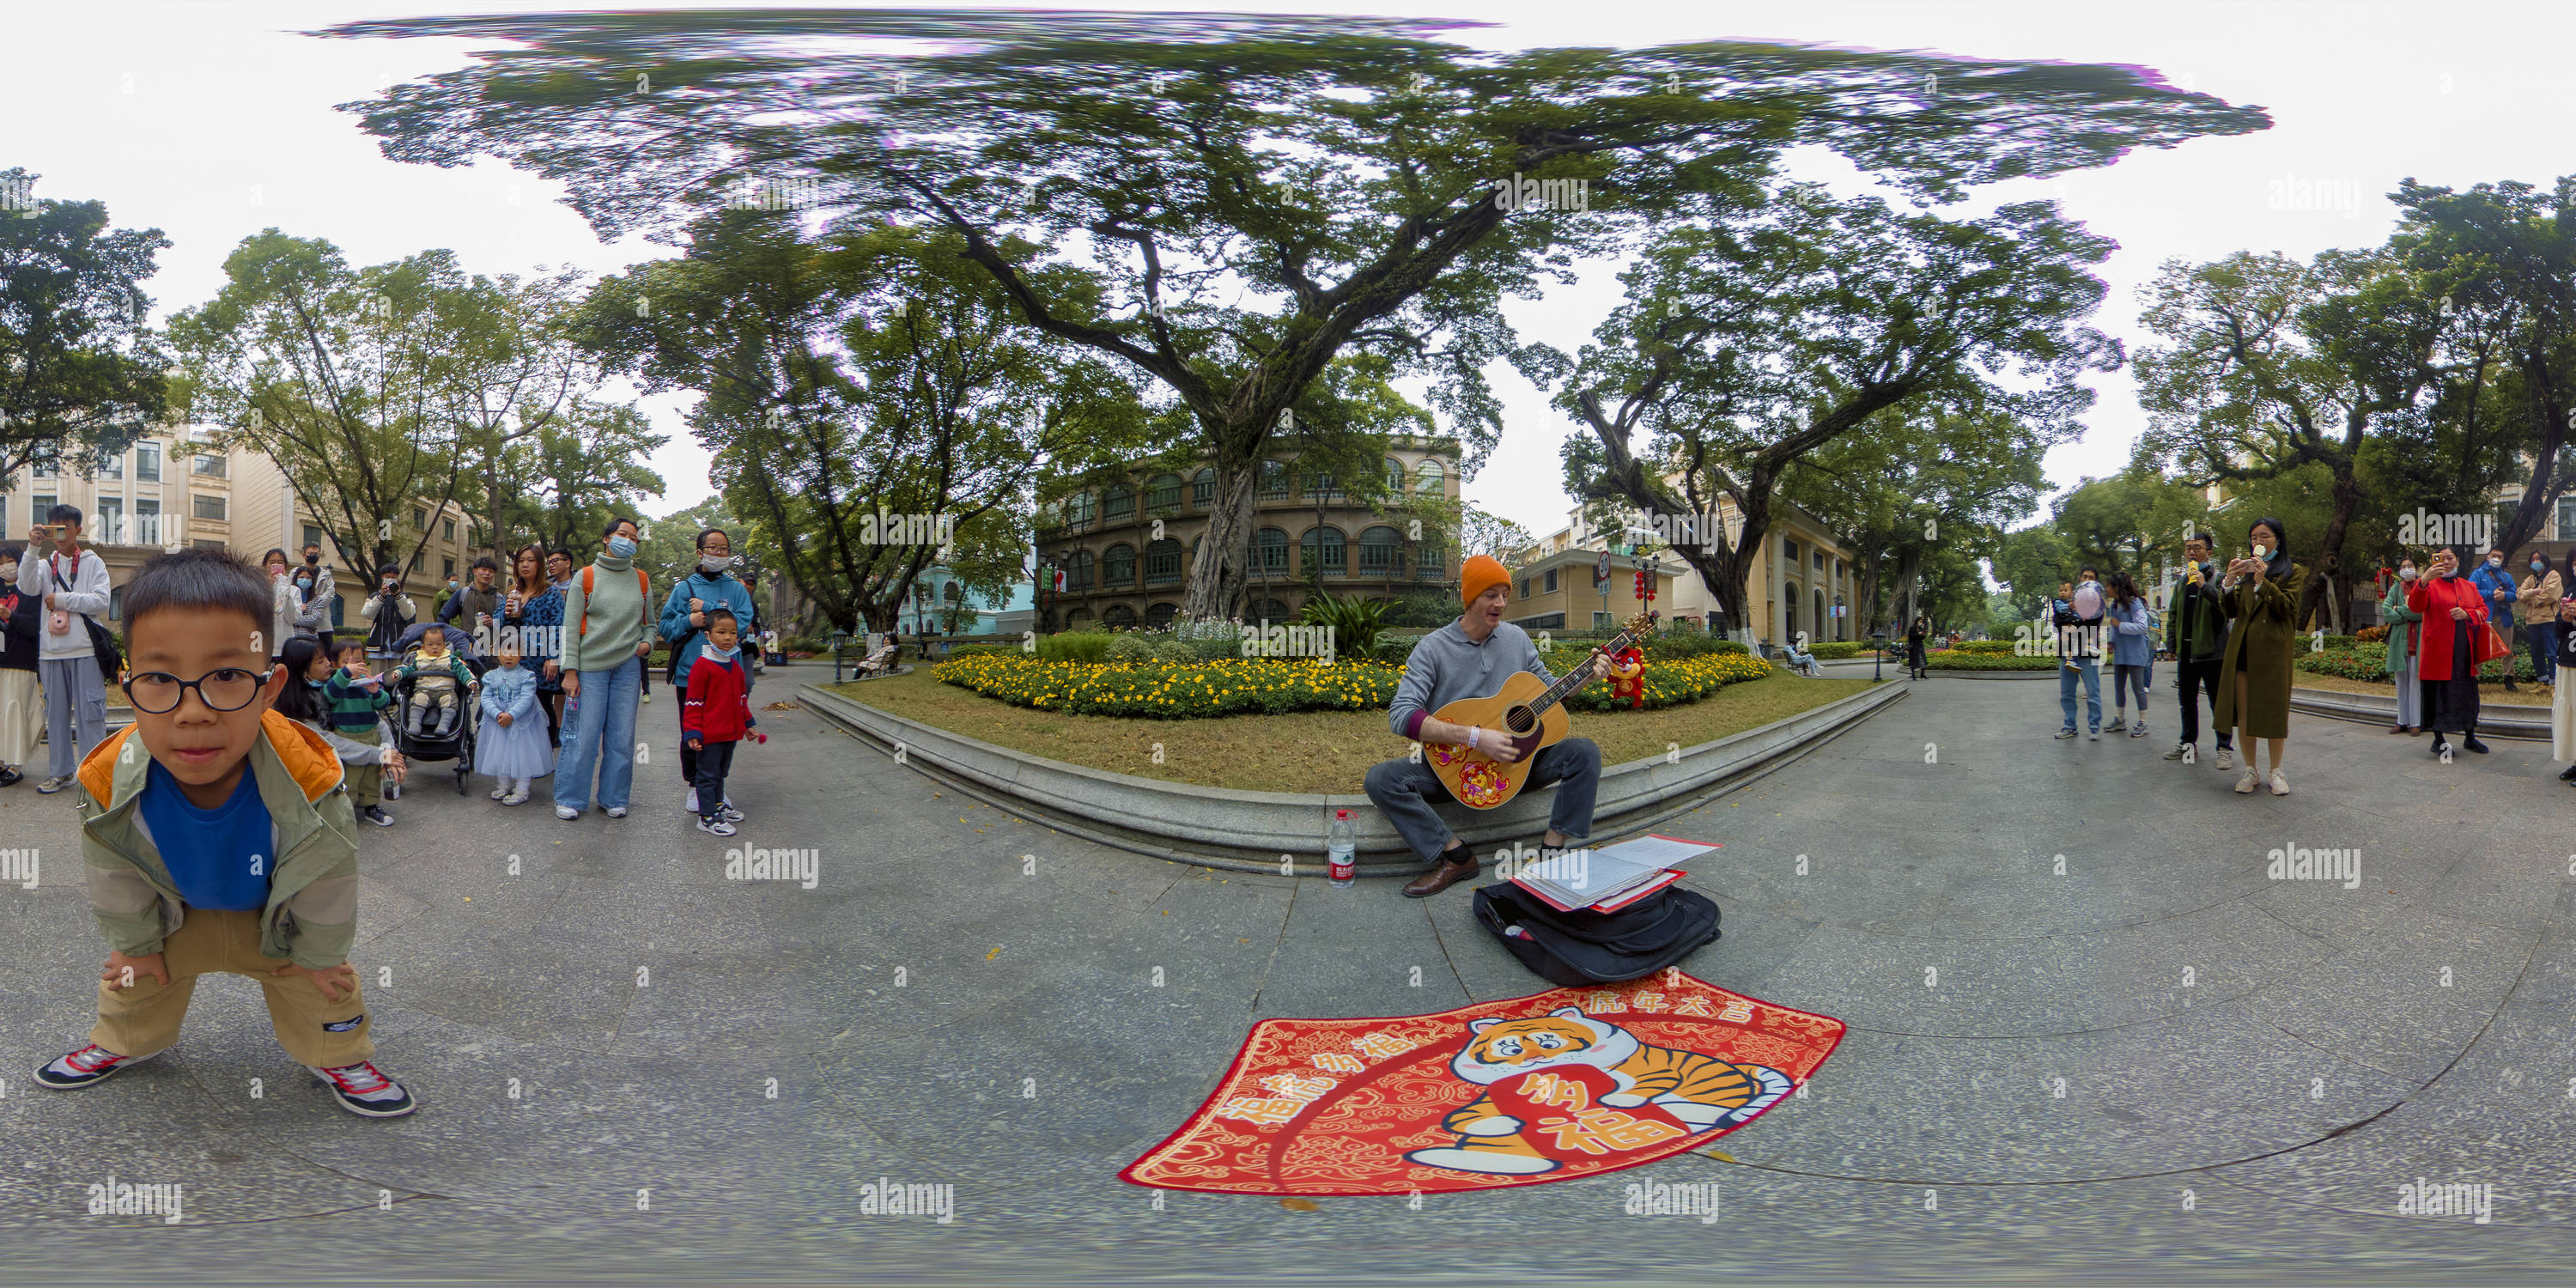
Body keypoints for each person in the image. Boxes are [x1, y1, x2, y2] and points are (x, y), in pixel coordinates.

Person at [28, 548, 416, 1118]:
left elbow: (328, 877)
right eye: (161, 678)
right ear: (127, 682)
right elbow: (114, 875)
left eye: (228, 676)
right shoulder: (109, 779)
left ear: (269, 685)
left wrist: (320, 952)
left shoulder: (308, 774)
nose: (194, 712)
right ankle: (121, 1040)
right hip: (176, 918)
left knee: (328, 982)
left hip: (277, 922)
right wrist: (135, 945)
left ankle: (338, 1052)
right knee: (129, 976)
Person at [1363, 555, 1612, 899]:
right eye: (1491, 594)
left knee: (1584, 752)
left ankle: (1552, 854)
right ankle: (1456, 857)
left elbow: (1551, 691)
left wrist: (1588, 676)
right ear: (1471, 599)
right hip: (1454, 767)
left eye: (1505, 595)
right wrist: (1477, 737)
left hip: (1516, 766)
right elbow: (1402, 716)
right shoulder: (1432, 648)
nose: (1501, 603)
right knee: (1382, 779)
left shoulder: (1517, 640)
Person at [554, 517, 654, 821]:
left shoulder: (641, 580)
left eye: (634, 538)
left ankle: (614, 797)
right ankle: (570, 797)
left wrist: (646, 645)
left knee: (622, 737)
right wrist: (570, 671)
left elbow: (650, 624)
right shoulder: (586, 577)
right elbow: (569, 628)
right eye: (622, 534)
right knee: (583, 735)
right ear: (607, 538)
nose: (628, 540)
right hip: (590, 669)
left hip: (627, 668)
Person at [659, 526, 756, 819]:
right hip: (692, 673)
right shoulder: (683, 588)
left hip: (727, 672)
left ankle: (716, 787)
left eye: (723, 549)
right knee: (693, 729)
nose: (718, 553)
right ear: (700, 552)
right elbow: (665, 626)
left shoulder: (737, 589)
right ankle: (694, 785)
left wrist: (709, 608)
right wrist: (690, 620)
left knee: (725, 731)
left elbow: (742, 622)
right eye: (712, 548)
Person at [20, 505, 112, 794]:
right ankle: (61, 772)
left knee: (90, 716)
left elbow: (101, 601)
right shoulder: (45, 564)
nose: (59, 534)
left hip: (84, 650)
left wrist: (61, 599)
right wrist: (32, 549)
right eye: (53, 528)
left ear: (77, 530)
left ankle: (92, 773)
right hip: (51, 651)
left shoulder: (93, 563)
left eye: (65, 527)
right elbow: (26, 587)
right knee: (56, 717)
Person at [2214, 518, 2306, 795]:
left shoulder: (2293, 571)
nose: (2258, 542)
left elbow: (2288, 608)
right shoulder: (2245, 572)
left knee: (2274, 712)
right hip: (2242, 650)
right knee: (2244, 714)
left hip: (2273, 652)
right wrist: (2228, 583)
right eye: (2254, 537)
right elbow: (2231, 611)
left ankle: (2276, 771)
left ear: (2278, 539)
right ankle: (2250, 769)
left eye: (2264, 536)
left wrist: (2263, 582)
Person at [274, 636, 407, 816]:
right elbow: (328, 743)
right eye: (321, 661)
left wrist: (390, 753)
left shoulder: (335, 686)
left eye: (327, 658)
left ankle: (367, 801)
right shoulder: (298, 706)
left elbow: (375, 721)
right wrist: (381, 755)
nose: (329, 664)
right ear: (303, 671)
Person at [2409, 544, 2494, 760]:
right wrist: (2424, 579)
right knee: (2439, 694)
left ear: (2457, 560)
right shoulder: (2429, 585)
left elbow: (2483, 610)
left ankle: (2470, 736)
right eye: (2441, 558)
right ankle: (2438, 740)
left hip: (2464, 650)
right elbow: (2415, 607)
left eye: (2450, 557)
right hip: (2438, 652)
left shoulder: (2468, 586)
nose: (2446, 562)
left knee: (2466, 692)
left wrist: (2467, 613)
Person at [681, 609, 759, 836]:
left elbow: (741, 699)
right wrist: (693, 732)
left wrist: (748, 724)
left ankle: (718, 804)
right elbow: (693, 703)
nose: (728, 638)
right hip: (710, 735)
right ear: (708, 636)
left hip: (730, 734)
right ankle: (706, 817)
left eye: (733, 633)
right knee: (707, 775)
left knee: (721, 772)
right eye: (721, 632)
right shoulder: (702, 667)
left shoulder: (734, 666)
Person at [2164, 538, 2237, 768]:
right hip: (2187, 653)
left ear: (2208, 552)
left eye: (2197, 548)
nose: (2192, 552)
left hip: (2213, 652)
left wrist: (2203, 585)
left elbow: (2225, 607)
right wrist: (2172, 645)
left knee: (2219, 703)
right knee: (2187, 701)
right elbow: (2174, 613)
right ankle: (2188, 745)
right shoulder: (2181, 581)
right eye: (2188, 548)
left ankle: (2224, 748)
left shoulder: (2219, 578)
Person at [323, 638, 401, 827]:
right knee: (351, 777)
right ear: (334, 665)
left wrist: (375, 692)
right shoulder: (337, 685)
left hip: (371, 734)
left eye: (358, 662)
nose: (354, 668)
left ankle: (371, 806)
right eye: (346, 663)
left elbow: (383, 704)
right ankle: (345, 810)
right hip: (347, 736)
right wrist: (345, 674)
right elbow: (329, 695)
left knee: (371, 776)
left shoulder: (367, 683)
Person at [502, 544, 566, 748]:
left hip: (540, 660)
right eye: (521, 561)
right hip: (516, 659)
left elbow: (557, 627)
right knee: (517, 704)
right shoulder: (513, 592)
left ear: (540, 564)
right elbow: (499, 624)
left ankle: (546, 750)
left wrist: (553, 658)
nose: (525, 565)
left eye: (530, 560)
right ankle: (522, 751)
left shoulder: (551, 593)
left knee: (542, 704)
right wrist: (506, 613)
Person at [475, 641, 551, 805]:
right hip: (498, 722)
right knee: (500, 753)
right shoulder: (490, 676)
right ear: (496, 654)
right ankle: (503, 785)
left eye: (514, 652)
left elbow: (526, 698)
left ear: (521, 654)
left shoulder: (527, 676)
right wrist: (497, 713)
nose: (509, 656)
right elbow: (485, 697)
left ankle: (522, 789)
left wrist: (512, 714)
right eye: (504, 652)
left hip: (520, 723)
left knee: (522, 755)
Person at [0, 544, 38, 787]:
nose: (6, 566)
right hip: (1, 660)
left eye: (10, 560)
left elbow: (35, 627)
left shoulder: (30, 590)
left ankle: (16, 765)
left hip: (21, 661)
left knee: (16, 713)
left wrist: (9, 615)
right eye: (1, 562)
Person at [395, 629, 473, 738]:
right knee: (418, 701)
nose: (435, 647)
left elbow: (462, 670)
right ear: (423, 647)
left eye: (439, 644)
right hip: (424, 690)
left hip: (446, 690)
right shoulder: (419, 659)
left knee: (450, 703)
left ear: (444, 645)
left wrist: (470, 681)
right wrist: (398, 673)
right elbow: (408, 669)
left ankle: (444, 725)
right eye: (430, 644)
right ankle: (414, 723)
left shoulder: (450, 659)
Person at [2378, 556, 2425, 735]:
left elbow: (2421, 612)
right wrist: (2406, 612)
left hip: (2417, 641)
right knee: (2401, 682)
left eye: (2410, 565)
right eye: (2404, 566)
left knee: (2415, 682)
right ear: (2399, 571)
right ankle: (2402, 720)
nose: (2407, 569)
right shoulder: (2395, 589)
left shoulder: (2423, 586)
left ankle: (2416, 722)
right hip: (2399, 642)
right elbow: (2387, 612)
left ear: (2415, 567)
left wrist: (2400, 609)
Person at [2053, 574, 2104, 740]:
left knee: (2093, 693)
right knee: (2067, 694)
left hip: (2087, 654)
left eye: (2090, 579)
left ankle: (2094, 727)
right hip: (2067, 655)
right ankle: (2070, 726)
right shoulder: (2065, 605)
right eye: (2083, 578)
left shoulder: (2096, 607)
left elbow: (2095, 623)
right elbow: (2057, 620)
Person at [2105, 570, 2152, 738]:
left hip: (2135, 653)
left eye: (2109, 585)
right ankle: (2120, 719)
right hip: (2121, 653)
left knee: (2138, 688)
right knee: (2119, 687)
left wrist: (2120, 624)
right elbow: (2113, 627)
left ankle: (2143, 722)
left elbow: (2142, 627)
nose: (2106, 588)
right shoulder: (2114, 605)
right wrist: (2111, 641)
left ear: (2117, 587)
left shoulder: (2135, 603)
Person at [2469, 547, 2518, 692]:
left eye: (2500, 556)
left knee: (2508, 649)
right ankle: (2474, 679)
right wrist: (2491, 593)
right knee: (2479, 648)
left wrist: (2504, 596)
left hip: (2503, 617)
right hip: (2484, 617)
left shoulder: (2506, 576)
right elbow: (2471, 591)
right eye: (2494, 556)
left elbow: (2514, 595)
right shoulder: (2478, 573)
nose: (2497, 558)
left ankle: (2509, 679)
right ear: (2488, 557)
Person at [2516, 550, 2562, 689]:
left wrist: (2531, 600)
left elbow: (2551, 595)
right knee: (2536, 652)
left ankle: (2555, 682)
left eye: (2538, 559)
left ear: (2545, 561)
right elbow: (2520, 594)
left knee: (2551, 652)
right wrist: (2534, 592)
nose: (2535, 562)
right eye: (2533, 559)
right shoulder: (2531, 578)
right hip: (2532, 620)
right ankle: (2543, 681)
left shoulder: (2554, 575)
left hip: (2548, 619)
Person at [360, 564, 416, 678]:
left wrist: (399, 596)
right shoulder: (375, 596)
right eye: (387, 577)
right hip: (378, 646)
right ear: (382, 577)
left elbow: (409, 614)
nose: (390, 579)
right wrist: (381, 596)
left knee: (396, 679)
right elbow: (367, 614)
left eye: (393, 577)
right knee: (377, 679)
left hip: (398, 646)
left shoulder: (405, 597)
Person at [440, 556, 504, 647]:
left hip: (490, 652)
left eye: (491, 571)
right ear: (475, 571)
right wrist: (448, 638)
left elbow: (508, 625)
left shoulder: (499, 599)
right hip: (466, 649)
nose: (487, 573)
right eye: (484, 569)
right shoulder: (463, 594)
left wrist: (494, 623)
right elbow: (443, 616)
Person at [258, 549, 301, 663]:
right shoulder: (258, 588)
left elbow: (293, 618)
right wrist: (268, 587)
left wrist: (285, 591)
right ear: (265, 566)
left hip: (285, 645)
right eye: (272, 563)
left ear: (285, 566)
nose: (276, 565)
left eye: (280, 563)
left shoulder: (293, 590)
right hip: (263, 645)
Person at [2551, 595, 2576, 781]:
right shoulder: (2571, 592)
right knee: (2569, 715)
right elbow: (2558, 632)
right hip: (2568, 663)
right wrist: (2565, 619)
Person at [294, 542, 337, 640]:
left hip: (323, 623)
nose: (314, 556)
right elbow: (290, 592)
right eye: (311, 554)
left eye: (316, 554)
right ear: (304, 555)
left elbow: (330, 594)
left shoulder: (326, 574)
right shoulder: (295, 572)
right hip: (298, 622)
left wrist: (314, 604)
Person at [1905, 616, 1928, 680]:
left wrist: (1923, 634)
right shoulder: (1912, 628)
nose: (1921, 623)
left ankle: (1922, 674)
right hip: (1914, 647)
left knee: (1923, 660)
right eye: (1920, 621)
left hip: (1920, 646)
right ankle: (1913, 675)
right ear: (1917, 621)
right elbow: (1910, 636)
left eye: (1922, 622)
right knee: (1913, 662)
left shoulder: (1921, 628)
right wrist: (1918, 634)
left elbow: (1922, 637)